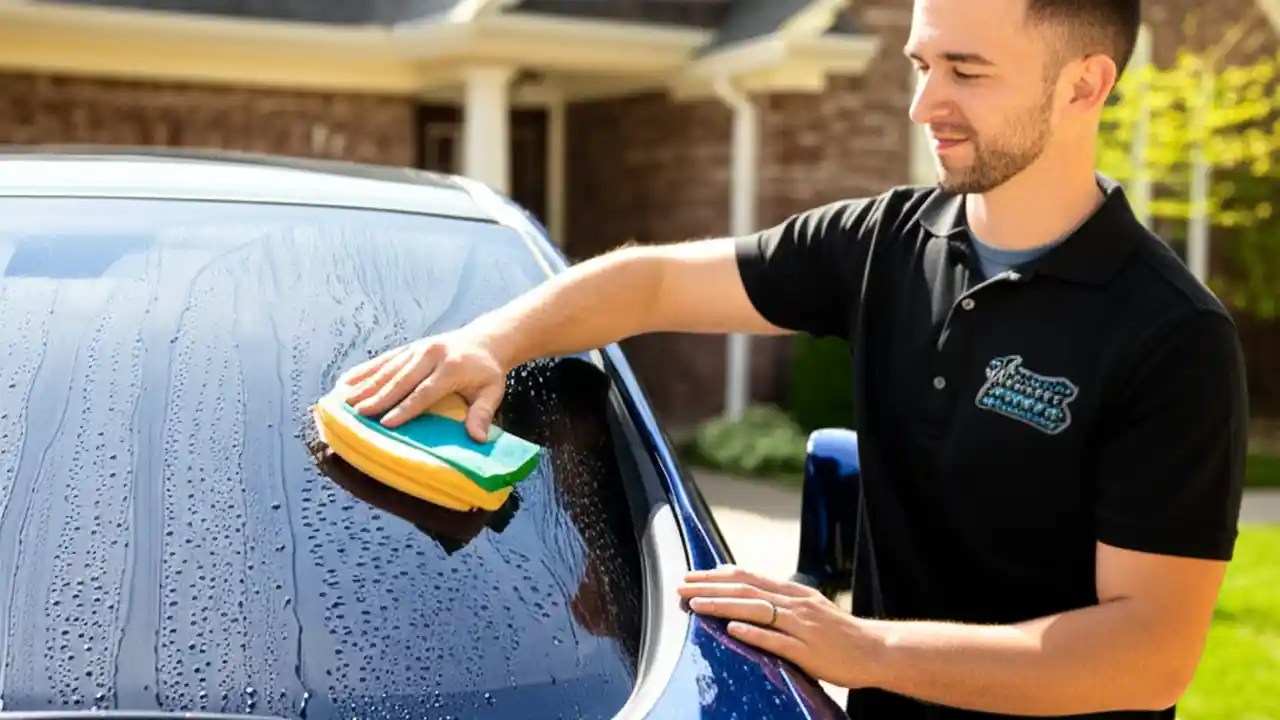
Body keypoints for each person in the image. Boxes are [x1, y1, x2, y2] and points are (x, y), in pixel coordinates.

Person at [338, 0, 1249, 717]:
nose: (923, 104)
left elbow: (1147, 655)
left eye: (966, 71)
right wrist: (492, 339)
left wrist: (860, 649)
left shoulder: (1171, 337)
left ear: (1085, 85)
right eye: (923, 64)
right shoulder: (884, 243)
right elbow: (653, 285)